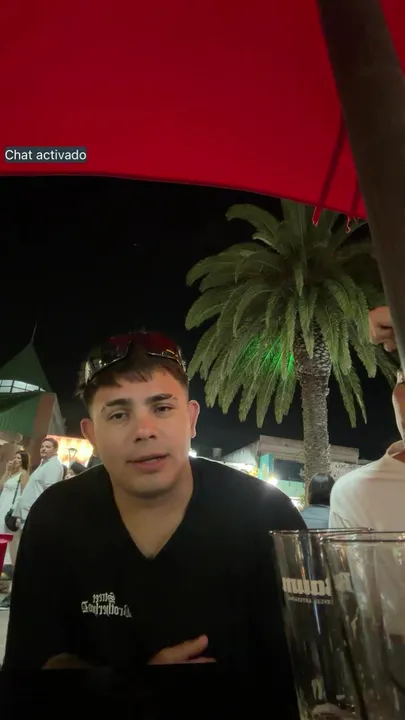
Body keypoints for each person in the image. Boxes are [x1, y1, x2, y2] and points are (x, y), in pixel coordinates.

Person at [3, 330, 304, 704]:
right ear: (91, 434)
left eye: (162, 408)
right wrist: (144, 687)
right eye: (119, 414)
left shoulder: (267, 516)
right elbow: (26, 681)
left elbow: (310, 672)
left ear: (191, 419)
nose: (144, 431)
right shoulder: (56, 518)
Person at [12, 437, 63, 530]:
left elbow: (49, 493)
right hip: (26, 513)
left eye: (47, 447)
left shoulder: (54, 466)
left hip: (33, 514)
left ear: (55, 450)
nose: (43, 449)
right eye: (42, 446)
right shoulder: (44, 464)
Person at [0, 450, 30, 605]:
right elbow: (1, 487)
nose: (16, 460)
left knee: (7, 544)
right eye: (15, 457)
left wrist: (20, 514)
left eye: (19, 458)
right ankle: (3, 582)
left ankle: (7, 579)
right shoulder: (11, 473)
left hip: (10, 512)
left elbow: (25, 494)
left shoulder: (23, 474)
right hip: (2, 507)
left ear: (23, 461)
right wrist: (7, 471)